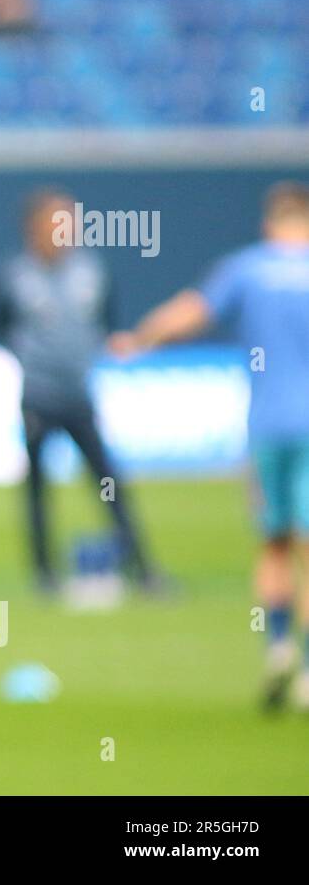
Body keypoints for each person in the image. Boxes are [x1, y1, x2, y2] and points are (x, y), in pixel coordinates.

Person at [110, 182, 309, 710]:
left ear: (271, 221)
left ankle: (278, 645)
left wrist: (140, 339)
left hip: (268, 425)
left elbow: (189, 312)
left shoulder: (248, 268)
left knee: (274, 545)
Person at [0, 189, 163, 596]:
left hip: (79, 395)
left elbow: (105, 321)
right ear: (33, 228)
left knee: (108, 481)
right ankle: (44, 572)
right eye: (54, 221)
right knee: (37, 488)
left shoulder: (91, 271)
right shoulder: (14, 276)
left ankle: (142, 565)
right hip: (38, 396)